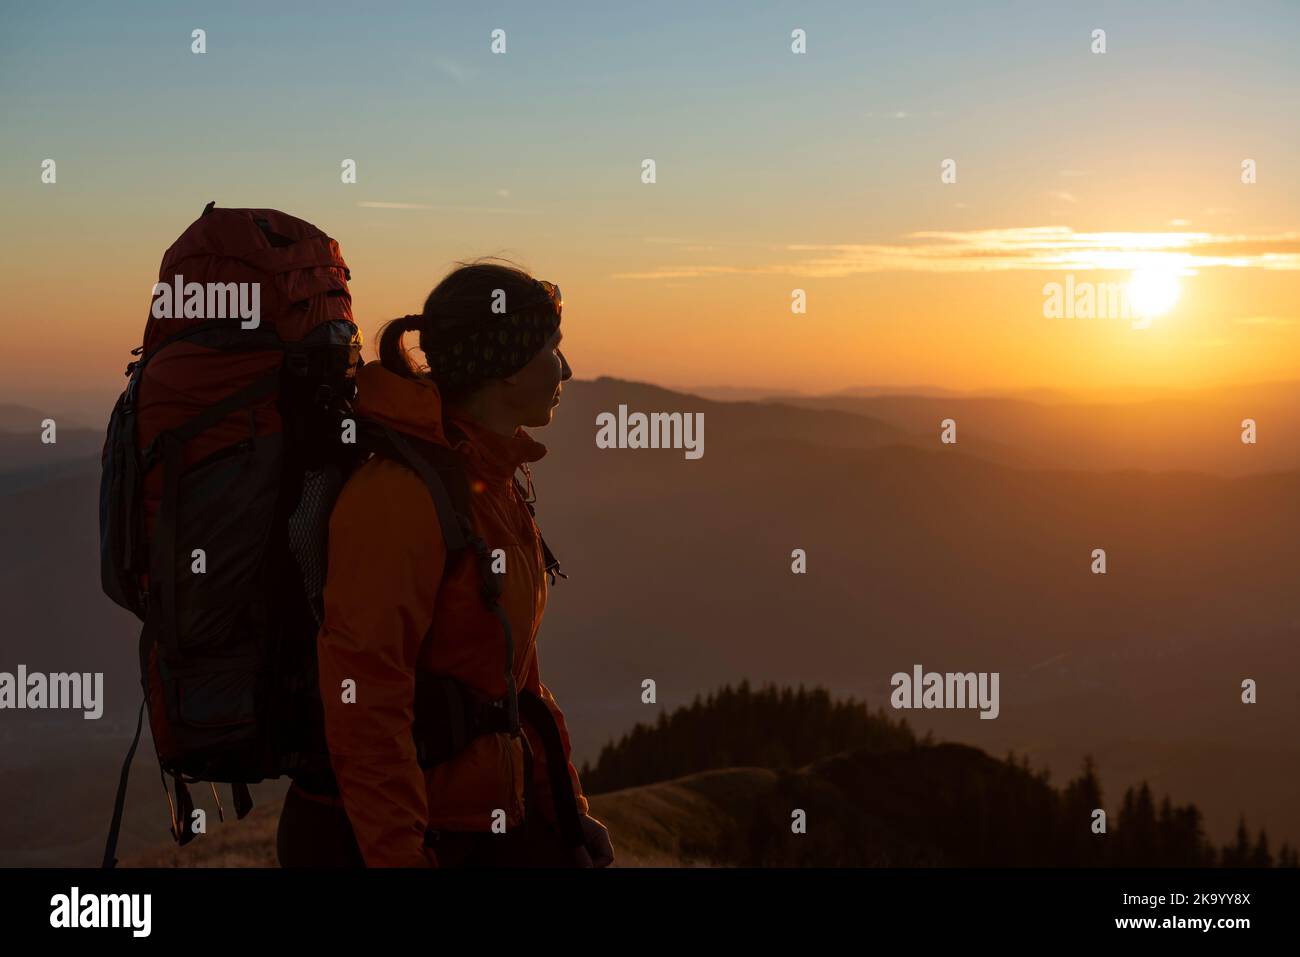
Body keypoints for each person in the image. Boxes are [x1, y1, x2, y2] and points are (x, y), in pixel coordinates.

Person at [276, 258, 614, 868]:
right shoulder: (400, 496)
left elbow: (516, 679)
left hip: (477, 824)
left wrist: (565, 812)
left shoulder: (492, 479)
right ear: (506, 368)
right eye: (551, 349)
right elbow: (365, 703)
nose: (565, 369)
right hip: (396, 838)